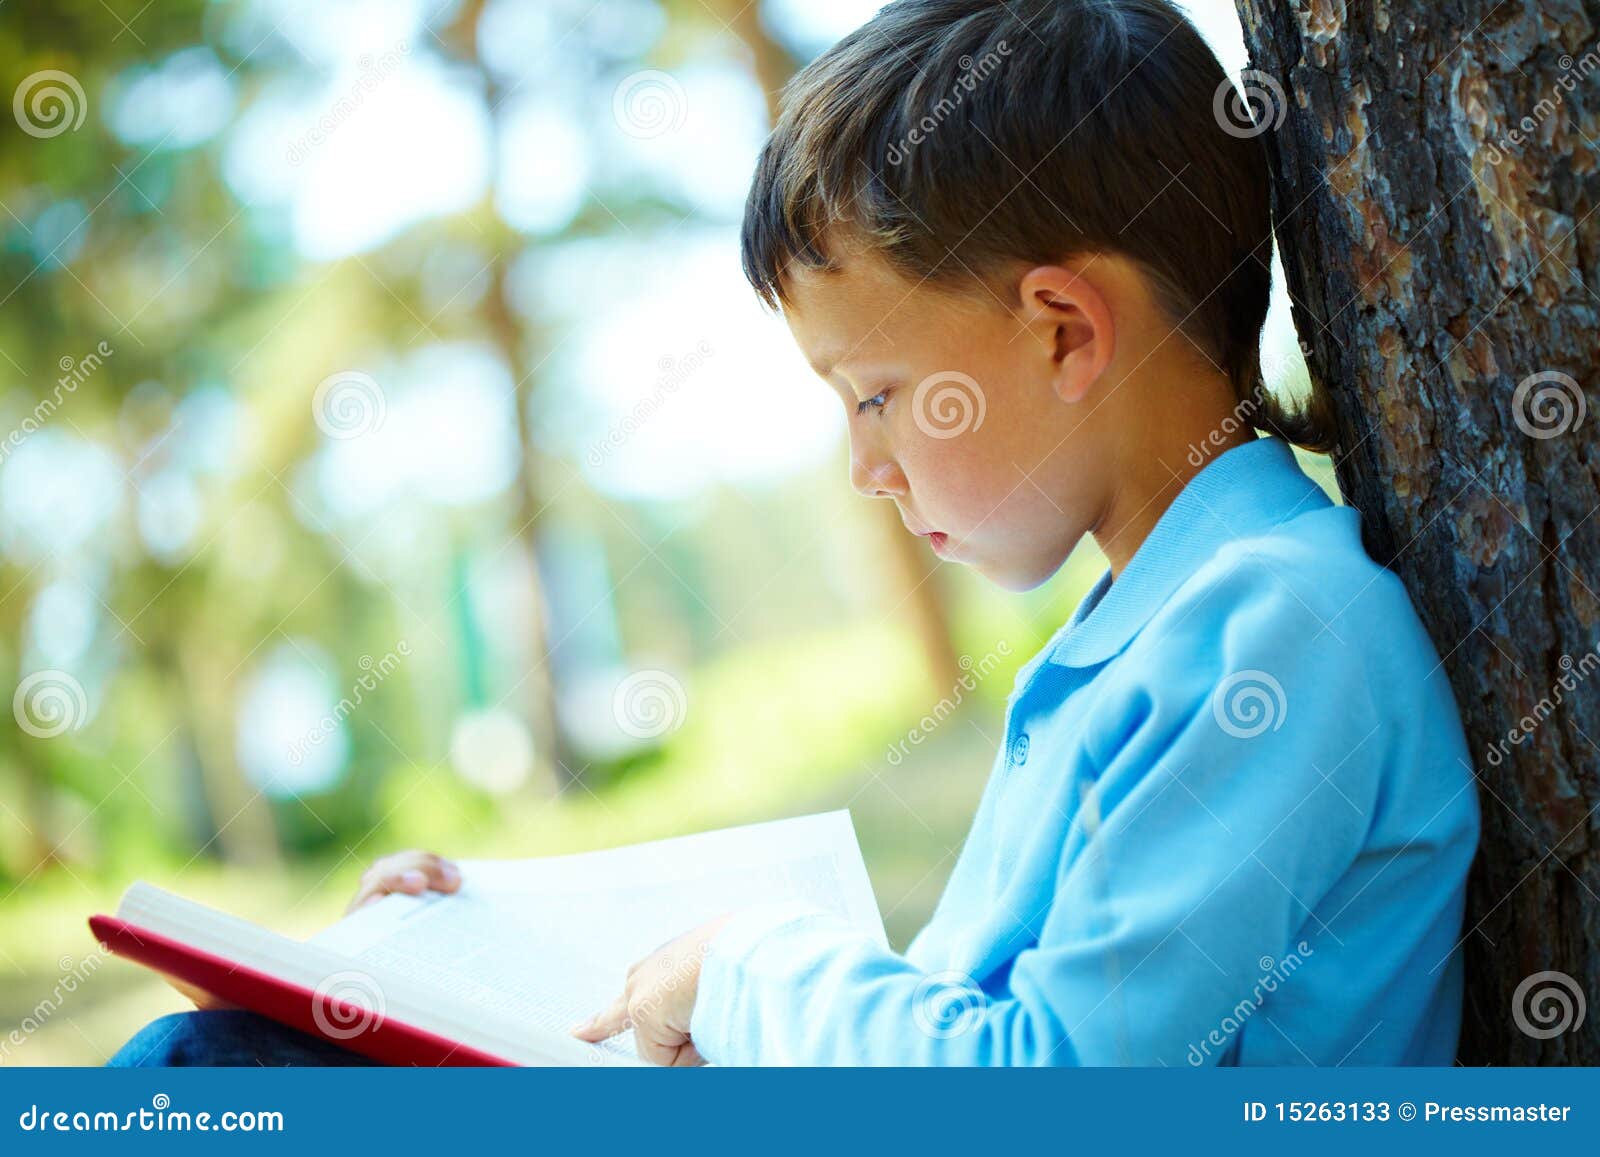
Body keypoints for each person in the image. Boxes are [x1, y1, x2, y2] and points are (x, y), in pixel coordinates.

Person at [110, 0, 1480, 1068]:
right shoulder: (1156, 628)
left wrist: (749, 967)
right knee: (237, 1052)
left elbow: (1058, 1086)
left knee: (195, 1073)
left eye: (877, 395)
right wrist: (454, 970)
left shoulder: (1281, 628)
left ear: (1064, 329)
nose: (864, 465)